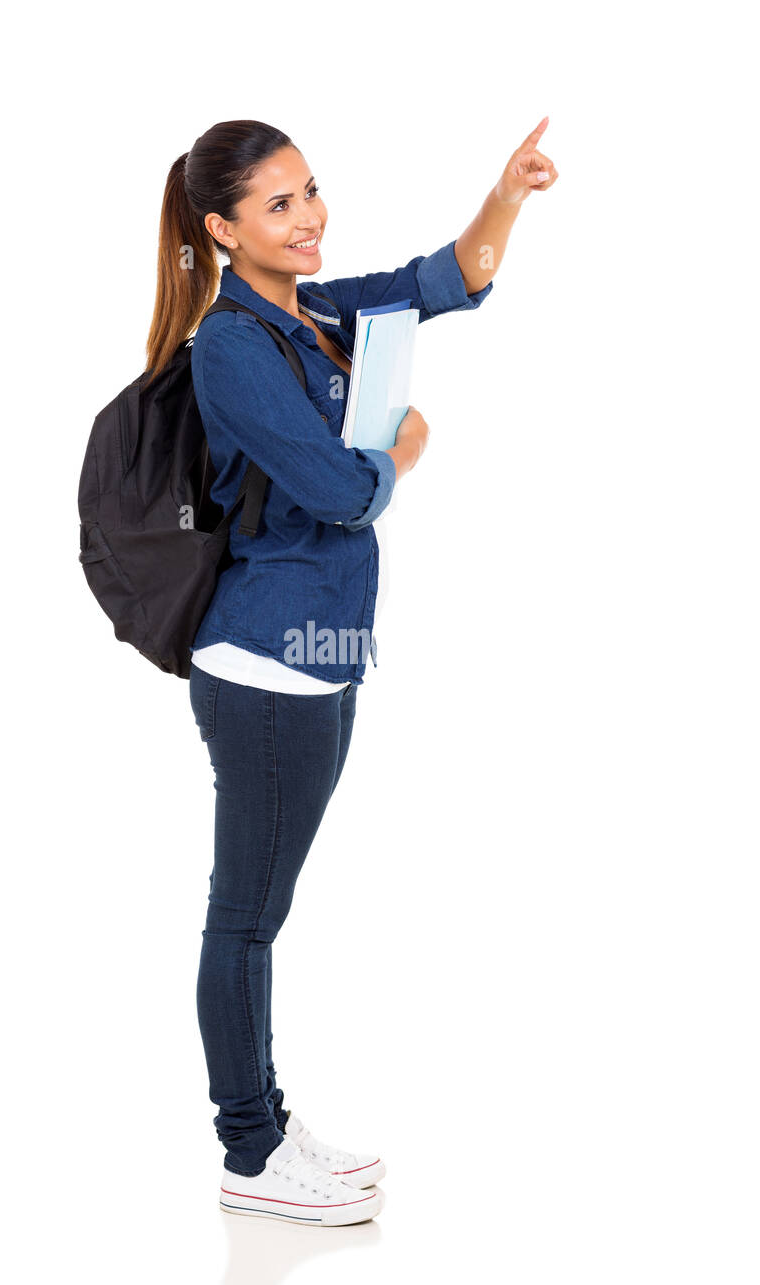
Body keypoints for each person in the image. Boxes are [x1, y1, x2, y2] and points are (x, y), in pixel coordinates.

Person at [145, 118, 558, 1225]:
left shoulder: (318, 309)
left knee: (258, 909)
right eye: (276, 205)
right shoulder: (230, 346)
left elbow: (446, 280)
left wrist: (504, 195)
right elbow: (338, 490)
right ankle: (249, 1147)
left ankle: (268, 1129)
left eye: (310, 190)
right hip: (264, 664)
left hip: (320, 653)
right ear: (223, 229)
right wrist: (402, 450)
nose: (308, 215)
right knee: (245, 918)